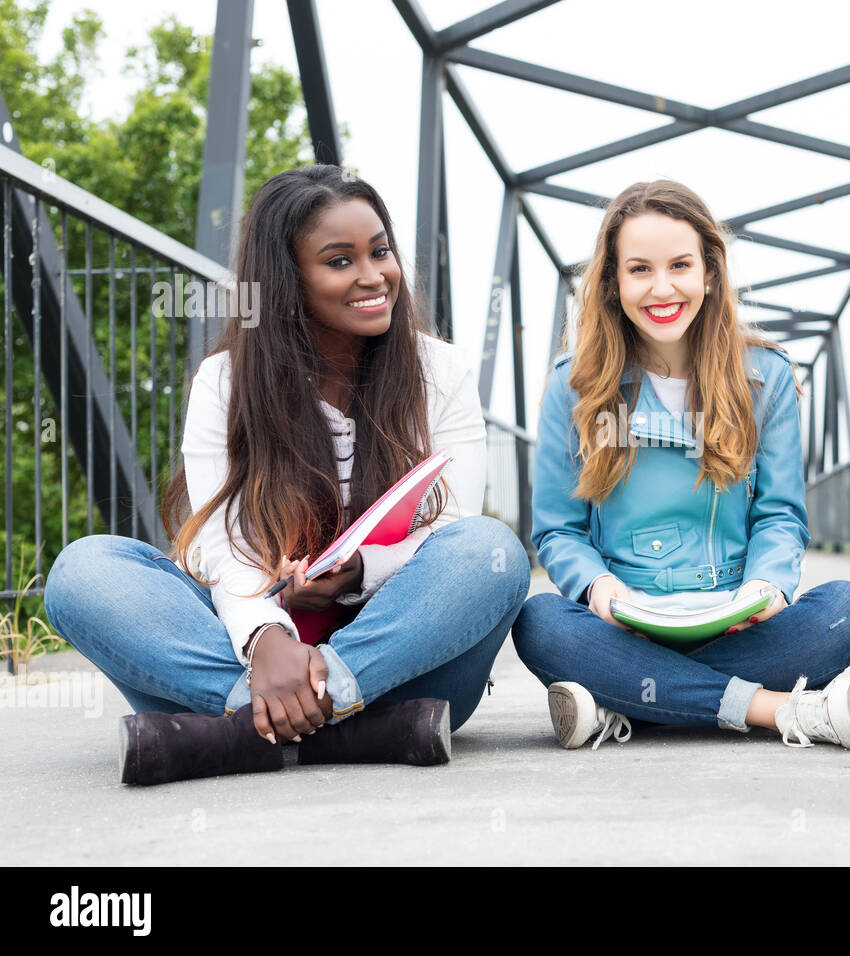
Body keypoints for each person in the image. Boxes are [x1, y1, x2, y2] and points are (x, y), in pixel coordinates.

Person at [43, 165, 530, 784]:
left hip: (399, 653)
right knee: (84, 570)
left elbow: (452, 524)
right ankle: (346, 726)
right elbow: (222, 545)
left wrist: (360, 574)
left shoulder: (441, 371)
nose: (373, 276)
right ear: (286, 281)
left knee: (492, 551)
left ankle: (251, 725)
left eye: (380, 251)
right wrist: (267, 638)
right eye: (339, 261)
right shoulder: (225, 382)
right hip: (257, 640)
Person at [512, 180, 850, 751]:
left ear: (709, 272)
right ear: (612, 282)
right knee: (539, 623)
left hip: (733, 614)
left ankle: (631, 701)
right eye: (639, 270)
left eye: (680, 265)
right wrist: (602, 592)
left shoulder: (767, 375)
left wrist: (766, 587)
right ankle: (770, 707)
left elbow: (780, 515)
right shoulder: (573, 384)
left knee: (848, 610)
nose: (662, 288)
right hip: (625, 619)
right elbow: (559, 529)